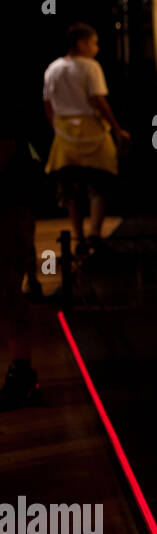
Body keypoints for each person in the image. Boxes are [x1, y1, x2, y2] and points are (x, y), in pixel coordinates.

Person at [43, 22, 130, 257]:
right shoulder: (90, 67)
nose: (96, 48)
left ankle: (79, 237)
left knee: (71, 190)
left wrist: (56, 128)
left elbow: (48, 104)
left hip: (64, 135)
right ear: (81, 43)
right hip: (91, 132)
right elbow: (99, 100)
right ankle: (94, 234)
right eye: (93, 43)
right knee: (99, 186)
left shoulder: (52, 68)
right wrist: (115, 127)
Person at [0, 135, 40, 410]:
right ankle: (22, 372)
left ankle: (22, 373)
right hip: (11, 205)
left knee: (7, 292)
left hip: (8, 207)